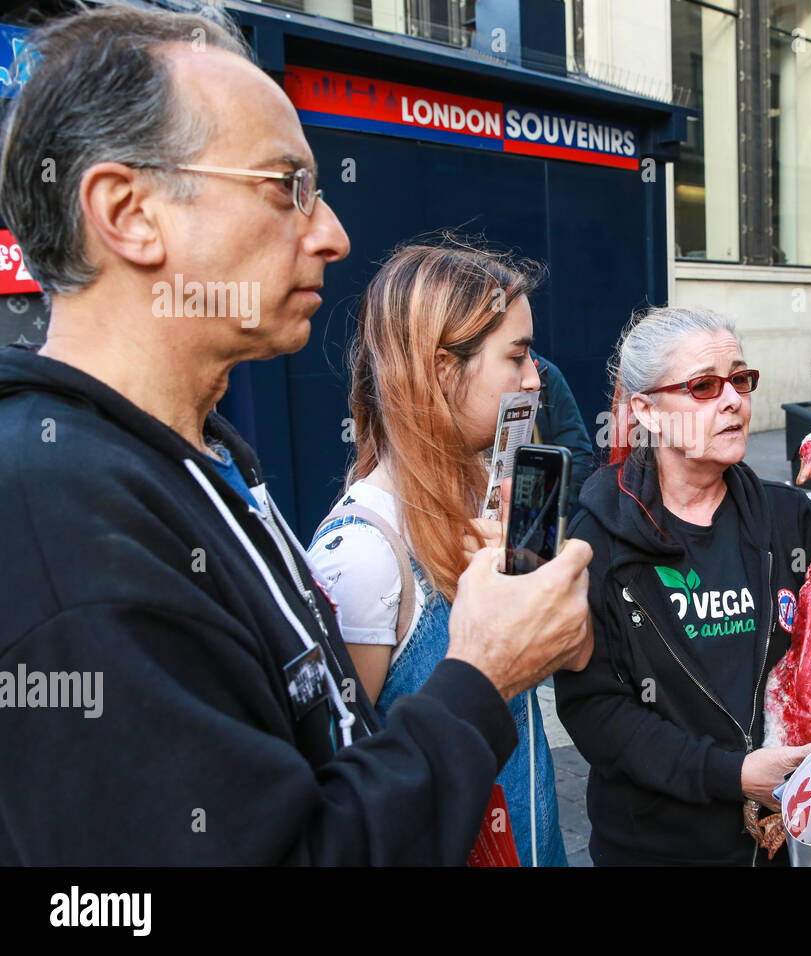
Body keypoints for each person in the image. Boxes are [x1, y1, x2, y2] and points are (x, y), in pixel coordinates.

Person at [0, 3, 591, 865]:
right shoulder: (57, 515)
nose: (333, 234)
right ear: (128, 212)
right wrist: (484, 673)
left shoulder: (201, 466)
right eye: (287, 187)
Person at [554, 307, 811, 866]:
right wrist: (729, 775)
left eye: (740, 379)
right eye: (704, 386)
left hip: (782, 846)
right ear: (646, 412)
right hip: (655, 848)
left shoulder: (788, 518)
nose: (732, 399)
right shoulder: (597, 539)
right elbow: (595, 711)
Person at [307, 242, 568, 867]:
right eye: (518, 355)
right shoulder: (363, 555)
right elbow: (340, 794)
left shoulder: (494, 497)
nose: (536, 377)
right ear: (441, 370)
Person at [532, 351, 596, 511]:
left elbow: (577, 455)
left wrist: (549, 512)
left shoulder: (545, 373)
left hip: (532, 514)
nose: (530, 382)